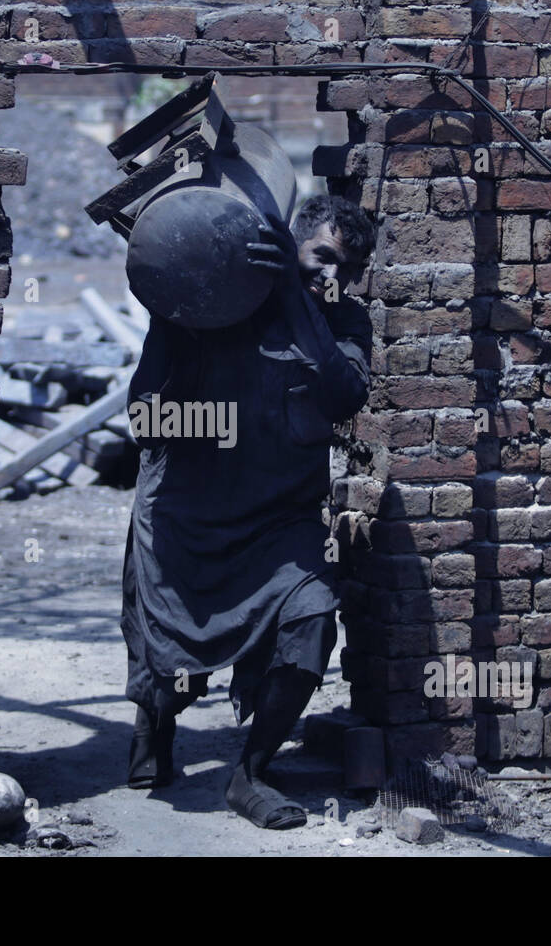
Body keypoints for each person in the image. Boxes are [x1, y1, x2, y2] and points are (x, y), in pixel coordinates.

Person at [118, 193, 376, 829]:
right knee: (167, 665)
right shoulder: (217, 300)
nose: (333, 277)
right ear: (289, 243)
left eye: (348, 269)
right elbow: (144, 415)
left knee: (312, 619)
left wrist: (294, 296)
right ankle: (155, 721)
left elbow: (344, 395)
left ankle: (251, 772)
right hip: (187, 515)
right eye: (322, 257)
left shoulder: (345, 323)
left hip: (280, 524)